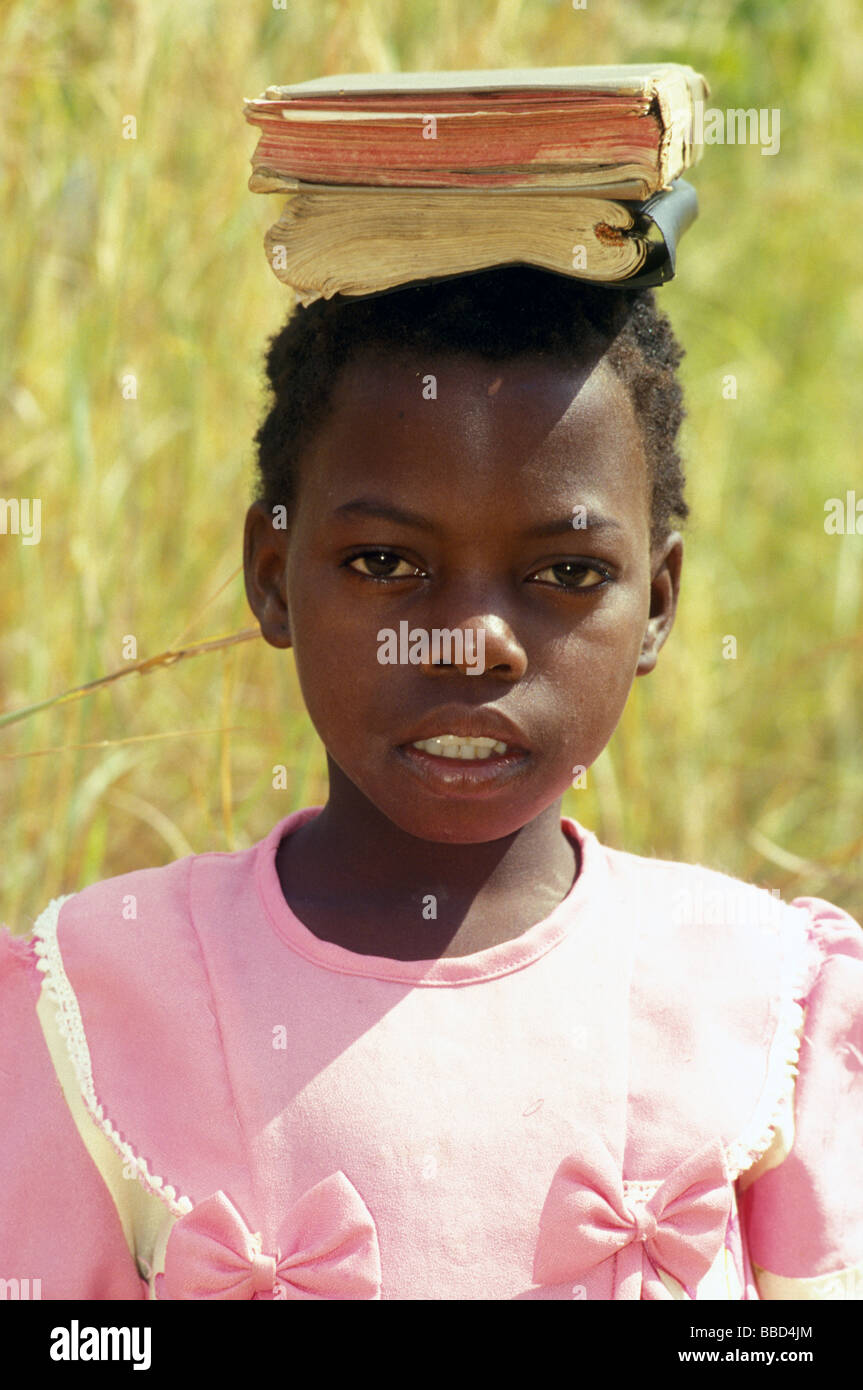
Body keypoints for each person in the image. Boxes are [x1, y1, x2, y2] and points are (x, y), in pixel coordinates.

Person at [1, 267, 861, 1300]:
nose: (472, 642)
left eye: (566, 573)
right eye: (383, 561)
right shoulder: (102, 989)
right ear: (272, 576)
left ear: (659, 602)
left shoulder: (764, 993)